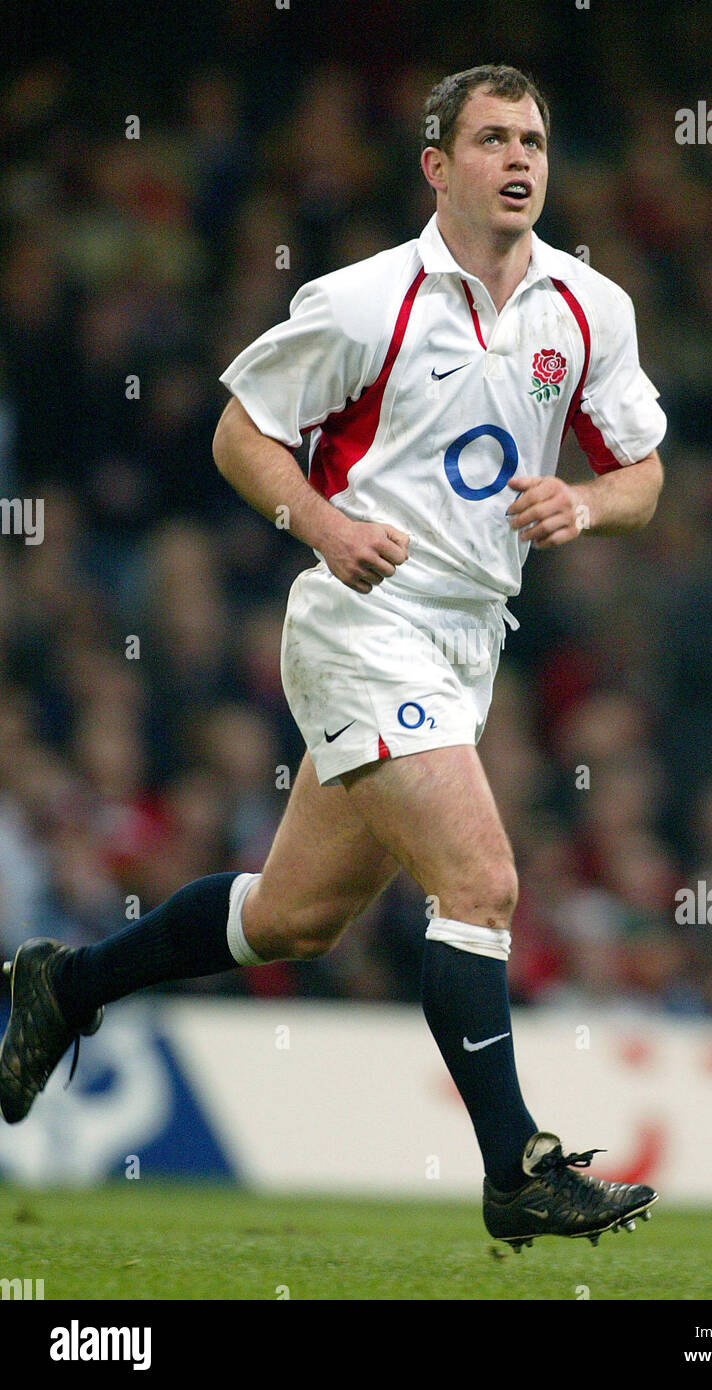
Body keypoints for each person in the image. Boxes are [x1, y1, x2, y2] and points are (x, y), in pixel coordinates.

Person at [1, 64, 665, 1251]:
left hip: (469, 635)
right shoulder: (366, 301)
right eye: (494, 140)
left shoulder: (586, 308)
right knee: (482, 886)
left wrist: (585, 503)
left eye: (535, 141)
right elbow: (238, 432)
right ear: (436, 165)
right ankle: (515, 1168)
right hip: (364, 618)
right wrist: (323, 522)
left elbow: (645, 474)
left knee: (294, 915)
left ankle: (65, 985)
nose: (521, 161)